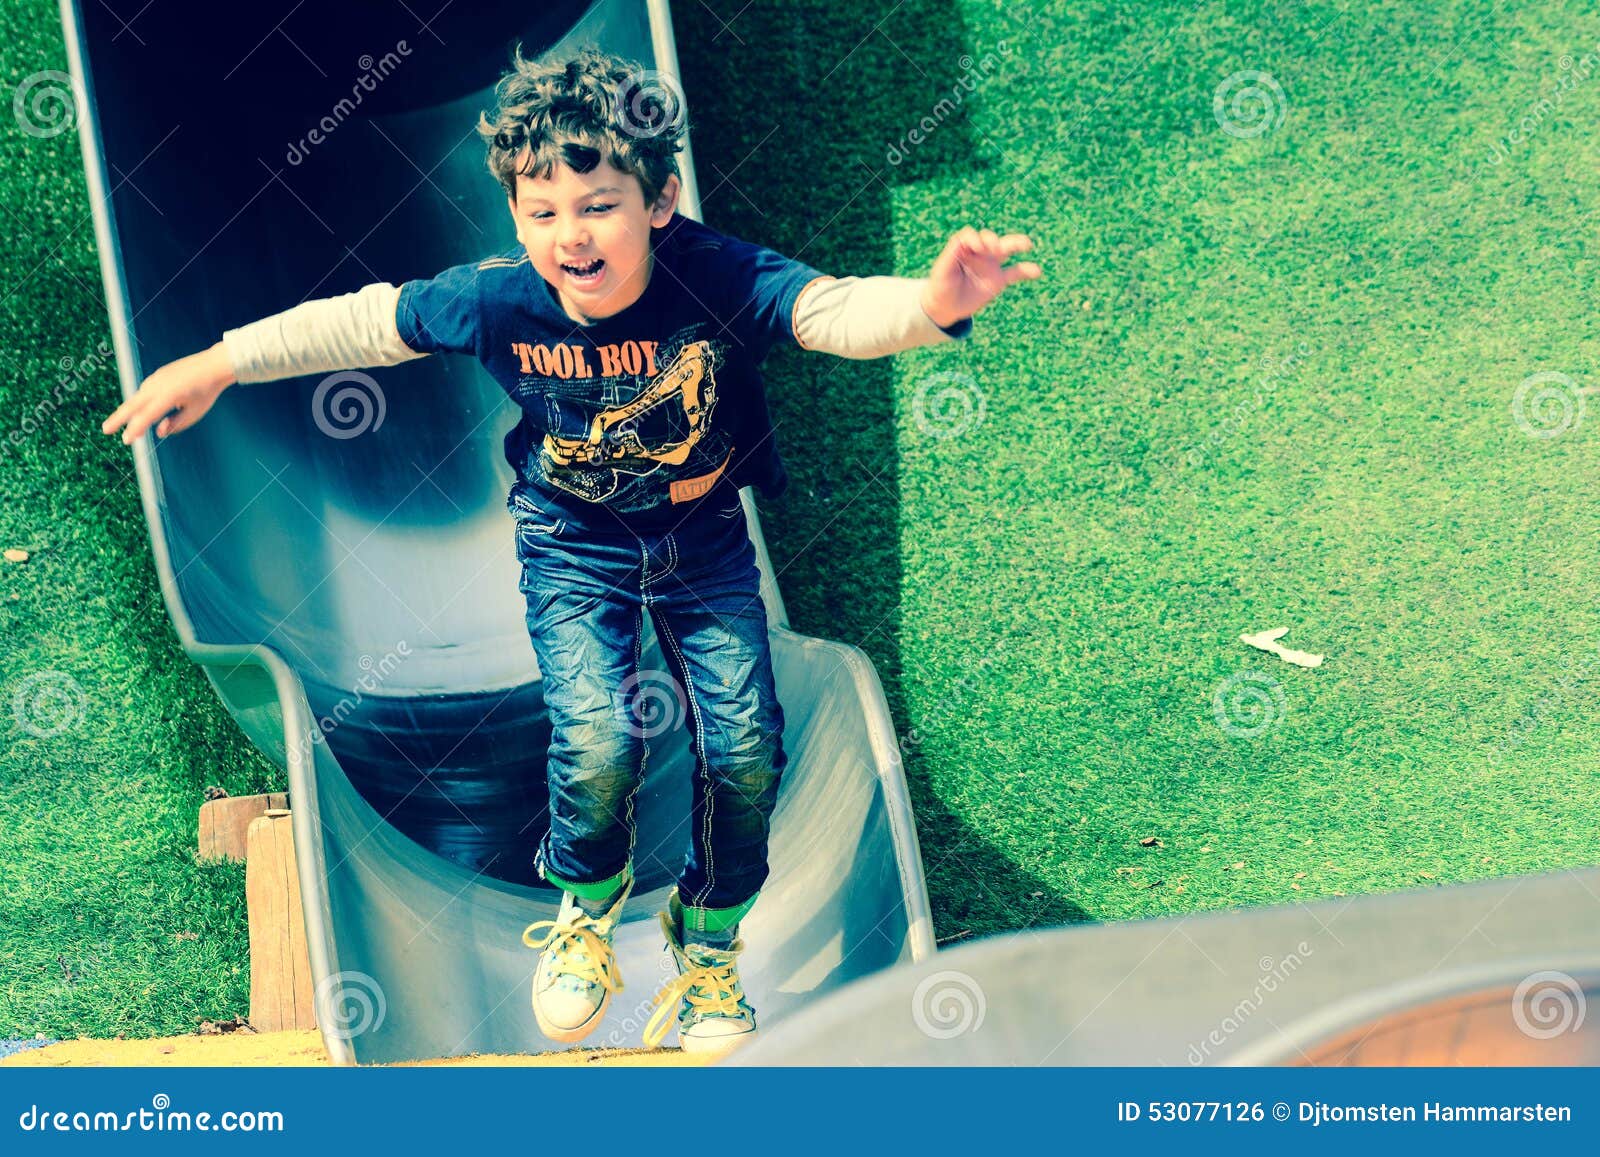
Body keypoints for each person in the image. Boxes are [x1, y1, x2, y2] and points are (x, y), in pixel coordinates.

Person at [100, 46, 1040, 1058]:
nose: (569, 236)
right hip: (571, 543)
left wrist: (934, 303)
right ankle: (585, 914)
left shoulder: (718, 274)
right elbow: (365, 324)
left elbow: (832, 313)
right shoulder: (501, 298)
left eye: (596, 206)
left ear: (659, 199)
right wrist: (219, 360)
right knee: (597, 739)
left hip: (703, 543)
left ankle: (708, 943)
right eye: (541, 213)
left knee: (744, 753)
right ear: (514, 215)